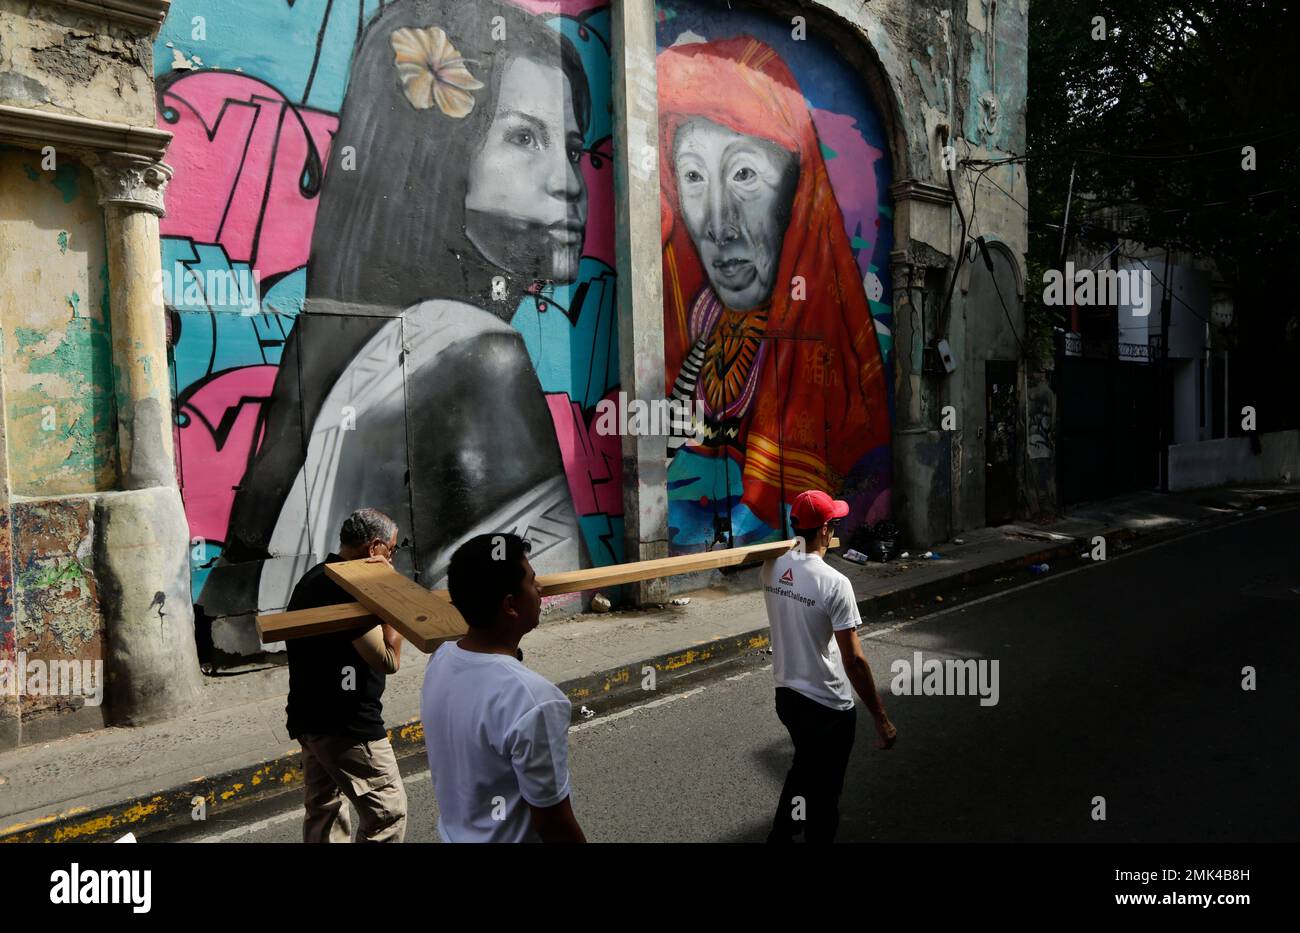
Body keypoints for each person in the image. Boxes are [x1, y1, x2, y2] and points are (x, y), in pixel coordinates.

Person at [204, 0, 593, 622]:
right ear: (435, 150)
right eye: (524, 137)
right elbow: (535, 606)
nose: (568, 181)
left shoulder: (338, 336)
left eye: (573, 149)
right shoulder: (475, 351)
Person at [658, 37, 892, 542]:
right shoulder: (692, 331)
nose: (719, 225)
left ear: (796, 189)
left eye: (744, 173)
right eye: (693, 177)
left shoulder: (834, 352)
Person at [420, 533, 585, 843]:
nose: (540, 589)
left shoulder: (440, 659)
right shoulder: (535, 701)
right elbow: (554, 824)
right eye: (532, 582)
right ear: (510, 605)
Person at [761, 490, 897, 843]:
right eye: (834, 524)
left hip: (787, 697)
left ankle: (782, 833)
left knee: (804, 770)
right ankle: (792, 834)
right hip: (828, 706)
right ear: (824, 530)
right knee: (824, 792)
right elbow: (853, 661)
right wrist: (880, 717)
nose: (835, 530)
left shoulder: (771, 566)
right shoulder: (835, 583)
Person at [285, 508, 407, 843]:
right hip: (347, 727)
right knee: (388, 815)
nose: (393, 558)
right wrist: (389, 601)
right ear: (374, 549)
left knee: (325, 811)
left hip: (310, 719)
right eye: (392, 550)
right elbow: (388, 659)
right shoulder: (347, 589)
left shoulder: (315, 577)